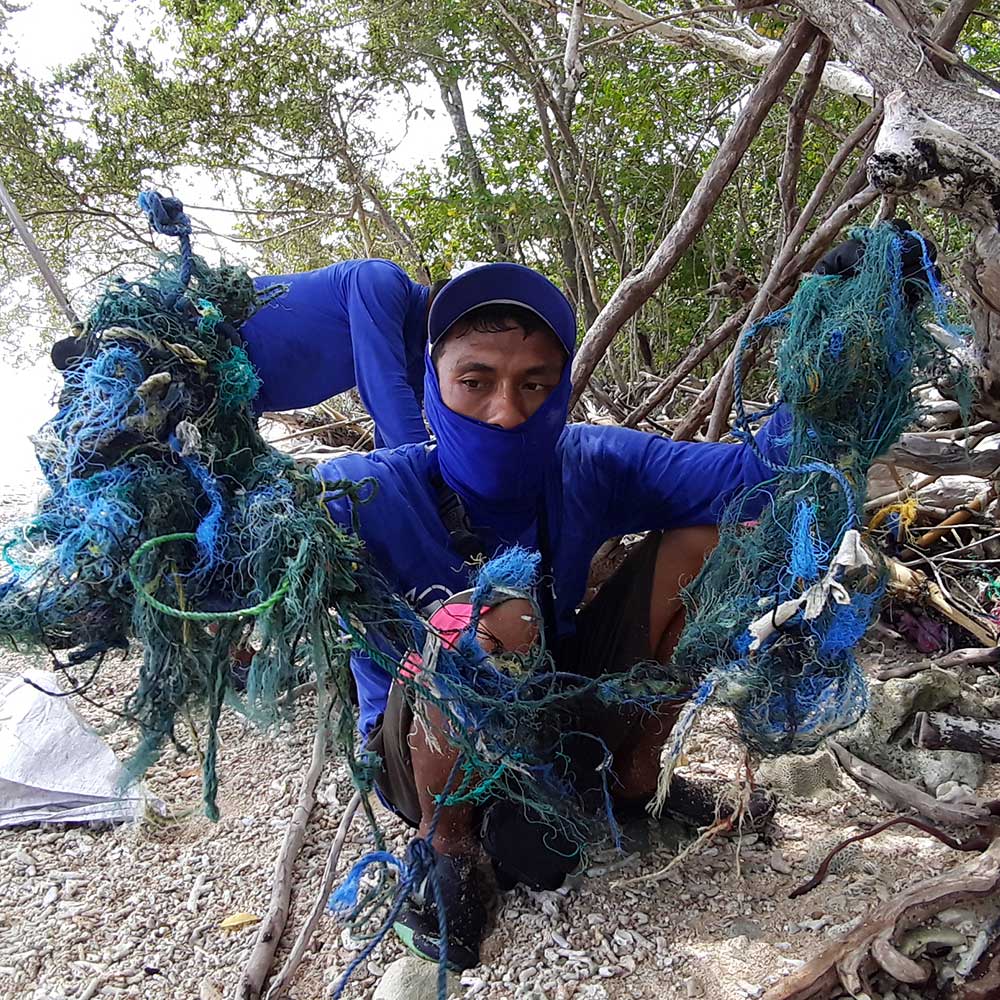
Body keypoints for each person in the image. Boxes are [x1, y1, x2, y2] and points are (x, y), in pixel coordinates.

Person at [316, 262, 792, 970]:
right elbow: (229, 546)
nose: (507, 411)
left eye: (534, 384)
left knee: (717, 541)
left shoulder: (586, 463)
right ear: (432, 386)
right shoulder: (361, 491)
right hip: (415, 742)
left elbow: (756, 478)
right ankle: (446, 844)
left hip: (552, 704)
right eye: (475, 382)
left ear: (560, 390)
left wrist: (842, 353)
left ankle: (634, 778)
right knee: (496, 610)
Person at [240, 259, 447, 447]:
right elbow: (383, 389)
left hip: (240, 401)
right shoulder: (379, 279)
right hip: (225, 339)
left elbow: (392, 435)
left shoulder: (417, 355)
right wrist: (428, 476)